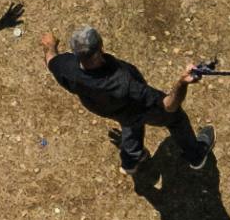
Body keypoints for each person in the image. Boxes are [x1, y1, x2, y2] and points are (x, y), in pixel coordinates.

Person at [43, 26, 215, 178]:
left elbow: (51, 59)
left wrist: (50, 46)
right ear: (100, 49)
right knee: (176, 118)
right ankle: (196, 155)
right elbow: (168, 106)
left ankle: (131, 161)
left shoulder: (67, 68)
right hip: (136, 108)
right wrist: (182, 83)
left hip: (107, 108)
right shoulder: (125, 84)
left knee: (129, 122)